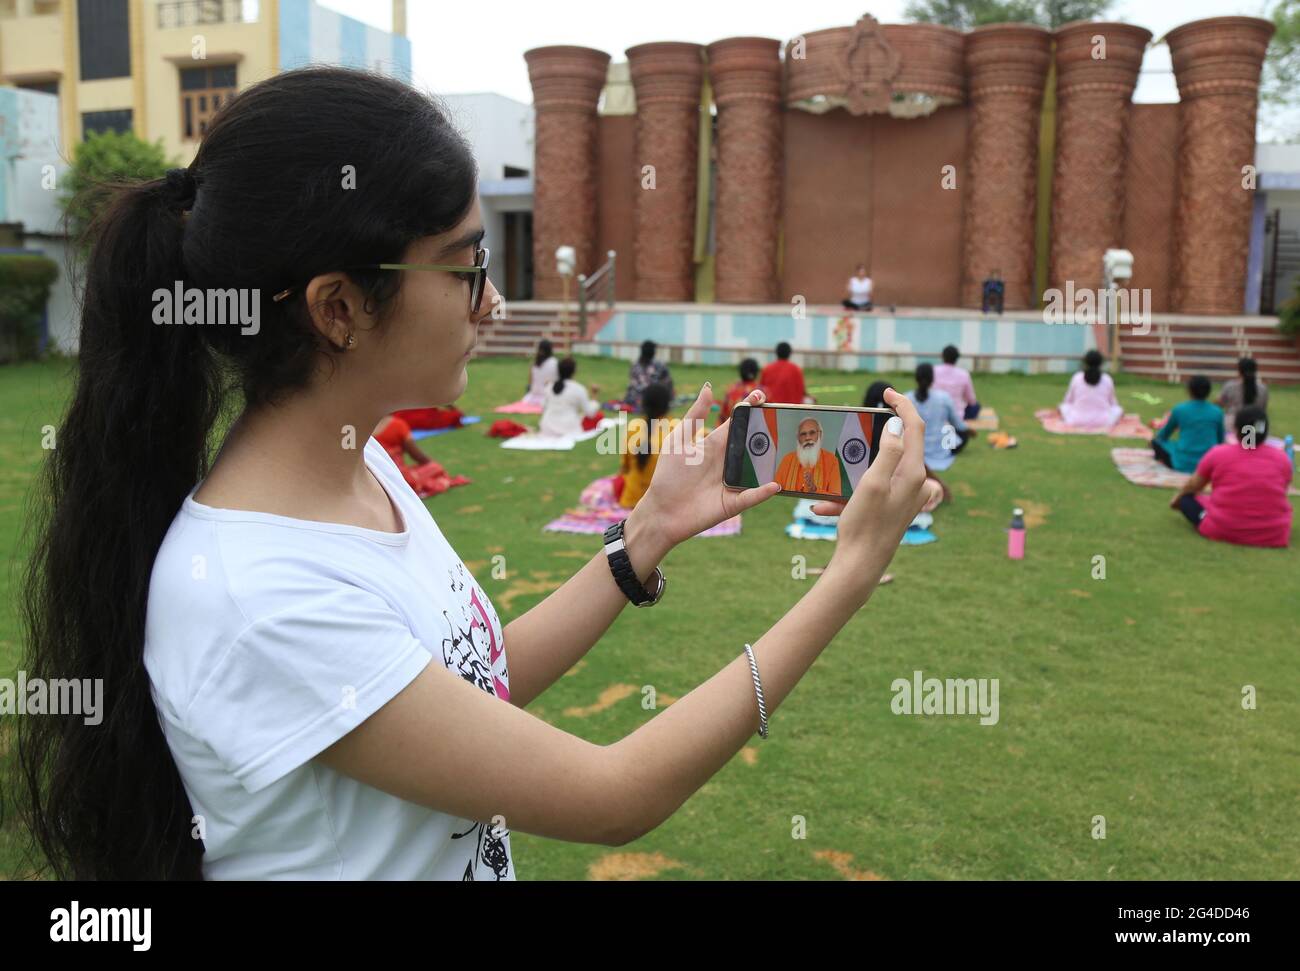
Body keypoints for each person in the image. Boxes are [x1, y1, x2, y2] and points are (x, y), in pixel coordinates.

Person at [14, 65, 940, 880]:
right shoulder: (259, 595)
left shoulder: (363, 462)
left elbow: (470, 685)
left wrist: (644, 539)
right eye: (465, 268)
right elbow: (614, 794)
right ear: (338, 308)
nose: (492, 302)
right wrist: (848, 573)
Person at [1170, 407, 1292, 548]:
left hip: (1224, 528)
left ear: (1236, 429)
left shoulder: (1218, 454)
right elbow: (1281, 491)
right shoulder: (1282, 459)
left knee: (1187, 500)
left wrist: (1177, 499)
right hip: (1274, 533)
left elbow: (1193, 486)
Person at [906, 363, 971, 475]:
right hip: (940, 449)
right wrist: (969, 430)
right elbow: (957, 424)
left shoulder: (906, 399)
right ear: (932, 379)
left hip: (913, 450)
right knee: (962, 433)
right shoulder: (943, 397)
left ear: (916, 378)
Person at [617, 383, 674, 510]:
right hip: (664, 502)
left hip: (631, 500)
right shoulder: (675, 429)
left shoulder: (634, 428)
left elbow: (625, 467)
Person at [1151, 375, 1224, 472]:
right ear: (1209, 392)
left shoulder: (1180, 410)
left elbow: (1163, 435)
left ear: (1189, 390)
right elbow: (1220, 441)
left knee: (1156, 442)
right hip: (1209, 464)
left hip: (1183, 463)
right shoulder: (1217, 412)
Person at [774, 417, 842, 496]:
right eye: (803, 434)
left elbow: (836, 497)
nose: (808, 438)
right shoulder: (787, 459)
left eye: (812, 433)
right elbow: (776, 491)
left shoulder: (831, 461)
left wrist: (814, 489)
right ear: (798, 438)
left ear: (820, 434)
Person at [539, 357, 602, 439]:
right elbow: (590, 413)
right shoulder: (579, 389)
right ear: (574, 371)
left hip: (547, 427)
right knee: (599, 416)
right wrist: (594, 396)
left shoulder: (549, 386)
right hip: (569, 428)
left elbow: (543, 407)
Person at [1059, 350, 1123, 428]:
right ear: (1101, 364)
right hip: (1104, 421)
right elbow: (1113, 403)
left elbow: (1068, 401)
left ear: (1085, 363)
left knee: (1064, 406)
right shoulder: (1107, 379)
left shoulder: (1077, 377)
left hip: (1076, 420)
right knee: (1117, 409)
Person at [1218, 357, 1269, 436]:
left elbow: (1220, 404)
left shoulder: (1230, 386)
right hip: (1257, 427)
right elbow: (1263, 409)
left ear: (1239, 370)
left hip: (1232, 426)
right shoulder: (1263, 389)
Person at [621, 339, 673, 411]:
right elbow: (668, 382)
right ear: (653, 352)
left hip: (636, 398)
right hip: (650, 398)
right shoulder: (658, 365)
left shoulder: (635, 365)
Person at [933, 345, 980, 420]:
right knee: (976, 406)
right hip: (957, 413)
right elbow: (971, 399)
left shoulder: (933, 370)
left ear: (942, 356)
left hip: (935, 411)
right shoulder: (963, 374)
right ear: (957, 358)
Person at [717, 357, 760, 427]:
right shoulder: (762, 392)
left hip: (731, 434)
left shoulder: (731, 390)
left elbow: (722, 417)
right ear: (756, 372)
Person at [523, 339, 560, 408]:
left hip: (533, 397)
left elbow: (530, 382)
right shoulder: (555, 362)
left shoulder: (534, 363)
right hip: (548, 396)